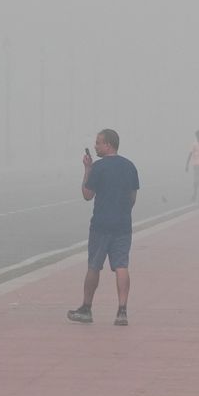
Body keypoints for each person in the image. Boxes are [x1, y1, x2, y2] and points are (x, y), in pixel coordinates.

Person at [70, 128, 138, 326]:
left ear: (108, 144)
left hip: (101, 224)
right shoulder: (130, 166)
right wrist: (123, 211)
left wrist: (87, 170)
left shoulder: (98, 167)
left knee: (94, 266)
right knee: (121, 265)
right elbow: (133, 197)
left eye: (98, 142)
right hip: (123, 225)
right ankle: (122, 311)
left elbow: (87, 194)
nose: (95, 146)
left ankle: (86, 308)